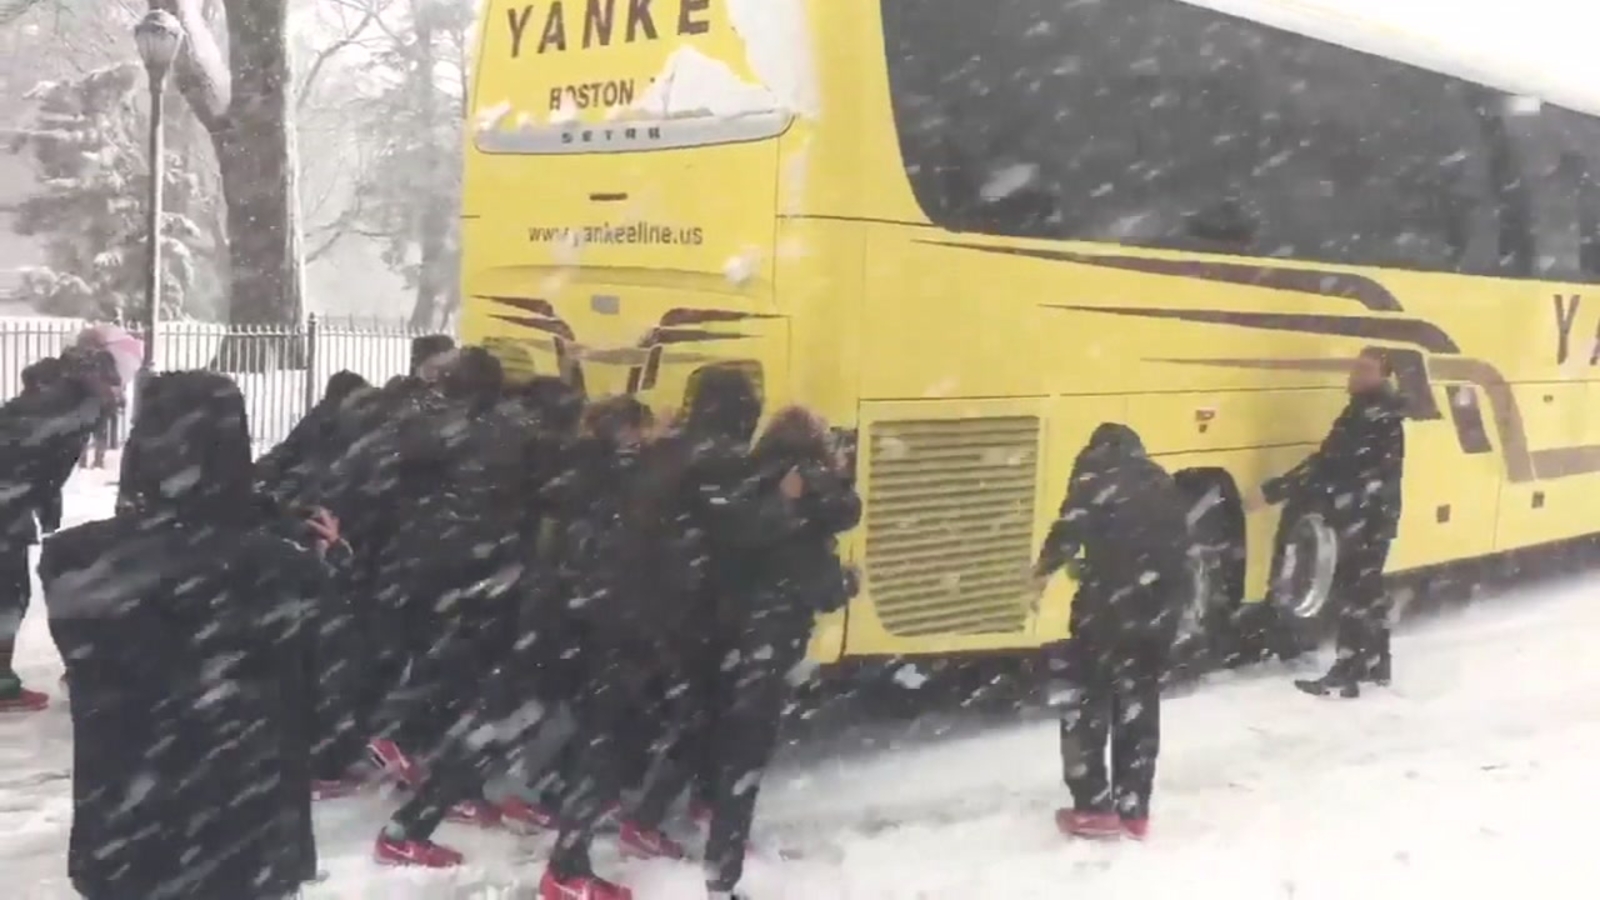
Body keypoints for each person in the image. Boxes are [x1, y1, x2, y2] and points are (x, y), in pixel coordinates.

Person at [38, 371, 339, 900]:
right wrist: (325, 559)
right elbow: (321, 699)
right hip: (243, 839)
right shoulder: (282, 572)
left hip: (123, 833)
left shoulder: (73, 560)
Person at [700, 406, 861, 900]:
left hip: (720, 637)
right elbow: (822, 587)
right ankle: (722, 876)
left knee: (720, 743)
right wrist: (848, 581)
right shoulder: (798, 514)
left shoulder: (742, 484)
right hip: (767, 645)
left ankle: (710, 827)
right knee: (745, 757)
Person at [1033, 422, 1192, 841]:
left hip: (1108, 612)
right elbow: (1172, 552)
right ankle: (1134, 810)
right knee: (1138, 706)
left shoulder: (1094, 476)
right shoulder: (1162, 482)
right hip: (1158, 614)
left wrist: (1041, 573)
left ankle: (1092, 806)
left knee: (1084, 702)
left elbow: (1070, 529)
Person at [1261, 347, 1407, 698]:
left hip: (1363, 517)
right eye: (1356, 366)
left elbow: (1330, 462)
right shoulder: (1374, 411)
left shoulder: (1370, 415)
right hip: (1372, 515)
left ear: (1383, 376)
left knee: (1354, 592)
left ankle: (1347, 670)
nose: (1355, 373)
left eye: (1366, 369)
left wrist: (1280, 488)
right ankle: (1376, 662)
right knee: (1367, 589)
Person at [0, 350, 114, 712]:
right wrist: (44, 503)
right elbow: (46, 464)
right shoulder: (78, 407)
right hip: (7, 506)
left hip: (10, 503)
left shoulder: (43, 403)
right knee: (9, 593)